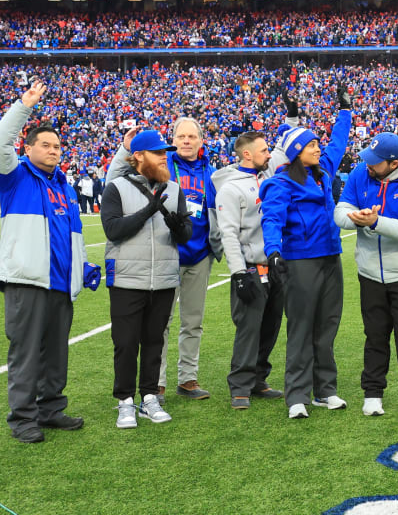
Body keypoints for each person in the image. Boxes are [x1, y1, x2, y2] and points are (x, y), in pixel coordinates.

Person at [0, 81, 94, 444]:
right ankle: (22, 418)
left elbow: (72, 237)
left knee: (56, 352)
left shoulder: (64, 186)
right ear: (27, 148)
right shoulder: (15, 178)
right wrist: (24, 106)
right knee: (26, 352)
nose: (52, 150)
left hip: (61, 282)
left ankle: (51, 409)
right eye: (45, 145)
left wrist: (83, 268)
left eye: (57, 146)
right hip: (28, 280)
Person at [108, 117, 222, 401]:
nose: (186, 141)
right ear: (172, 141)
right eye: (180, 137)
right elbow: (118, 177)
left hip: (198, 254)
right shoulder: (160, 163)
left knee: (193, 322)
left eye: (191, 137)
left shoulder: (211, 171)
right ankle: (155, 383)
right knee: (160, 324)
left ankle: (188, 379)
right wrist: (125, 148)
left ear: (200, 141)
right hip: (164, 256)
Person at [260, 87, 353, 420]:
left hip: (330, 256)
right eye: (312, 144)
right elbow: (270, 218)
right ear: (297, 152)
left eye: (316, 143)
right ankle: (296, 395)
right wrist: (273, 252)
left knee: (327, 326)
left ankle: (325, 390)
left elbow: (338, 144)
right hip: (300, 260)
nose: (318, 148)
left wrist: (345, 110)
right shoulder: (281, 182)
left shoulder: (323, 172)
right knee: (300, 327)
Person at [335, 131, 398, 421]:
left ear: (393, 163)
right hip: (369, 273)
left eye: (376, 162)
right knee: (374, 336)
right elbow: (340, 211)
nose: (368, 165)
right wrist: (357, 219)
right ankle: (373, 393)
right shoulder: (360, 173)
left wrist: (375, 221)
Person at [101, 129, 192, 429]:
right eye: (157, 153)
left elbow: (186, 234)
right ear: (138, 156)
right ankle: (125, 401)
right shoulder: (115, 187)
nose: (164, 157)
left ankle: (149, 396)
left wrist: (179, 227)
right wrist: (149, 209)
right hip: (128, 277)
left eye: (165, 152)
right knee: (125, 343)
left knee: (155, 341)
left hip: (164, 277)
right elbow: (113, 230)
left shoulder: (174, 189)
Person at [213, 131, 286, 410]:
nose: (269, 155)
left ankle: (258, 379)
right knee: (249, 330)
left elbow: (282, 151)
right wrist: (238, 273)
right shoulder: (231, 188)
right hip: (251, 269)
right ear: (247, 154)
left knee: (270, 327)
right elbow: (228, 233)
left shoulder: (266, 177)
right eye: (264, 150)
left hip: (275, 267)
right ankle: (240, 386)